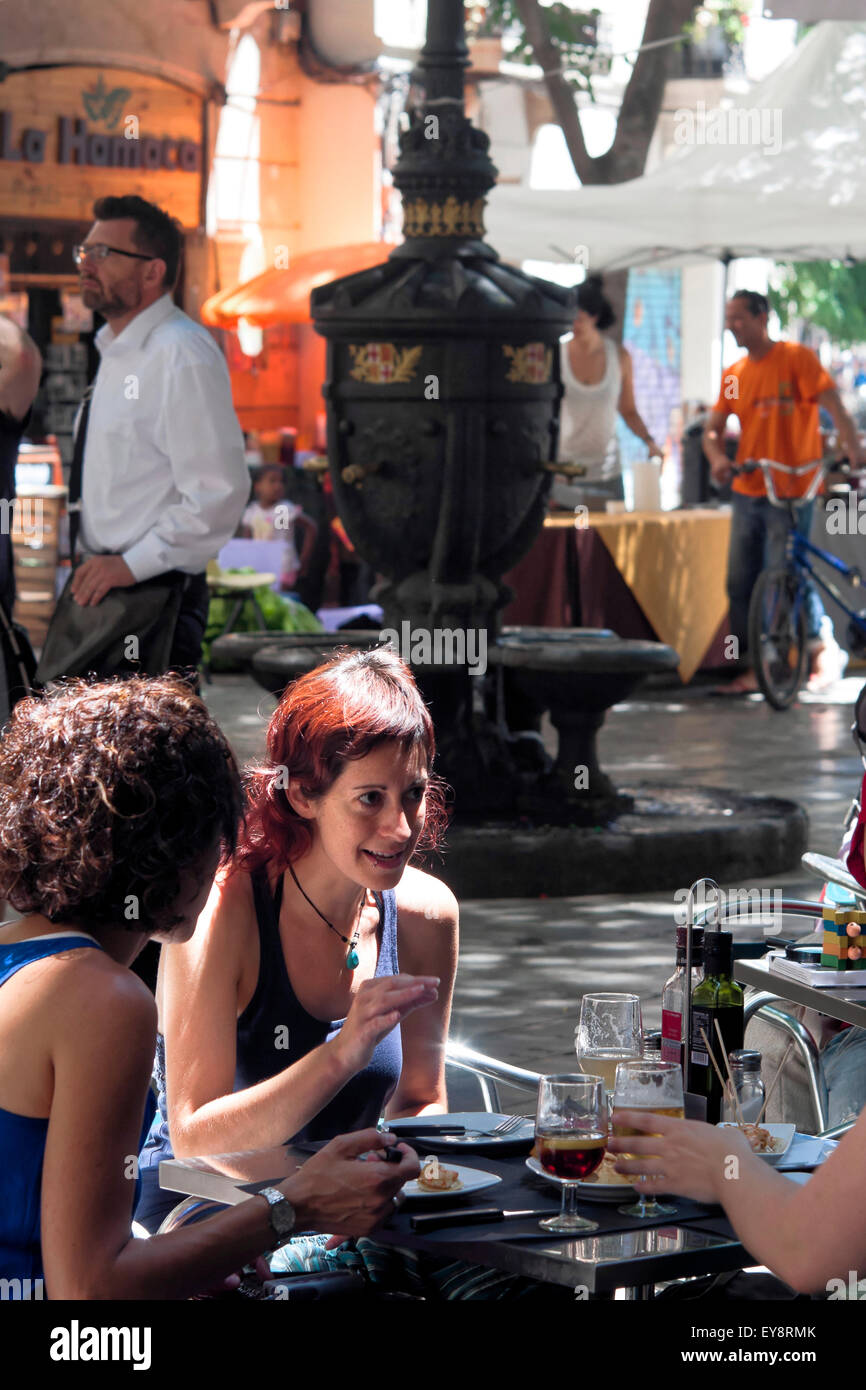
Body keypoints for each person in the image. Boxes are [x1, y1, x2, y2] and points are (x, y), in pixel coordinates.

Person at [0, 675, 417, 1295]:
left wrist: (198, 1252)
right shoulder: (104, 1001)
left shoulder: (21, 956)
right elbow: (88, 1295)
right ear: (180, 849)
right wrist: (290, 1209)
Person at [136, 646, 457, 1240]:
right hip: (209, 1215)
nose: (402, 828)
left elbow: (419, 1100)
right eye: (371, 799)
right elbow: (195, 1138)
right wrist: (340, 1054)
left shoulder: (425, 912)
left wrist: (399, 1173)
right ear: (303, 796)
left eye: (412, 794)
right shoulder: (225, 908)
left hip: (353, 1216)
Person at [49, 194, 250, 672]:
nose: (86, 264)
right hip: (109, 594)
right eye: (85, 252)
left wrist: (128, 565)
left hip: (154, 600)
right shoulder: (120, 351)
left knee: (149, 744)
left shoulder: (181, 353)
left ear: (152, 271)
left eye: (103, 253)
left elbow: (217, 495)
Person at [702, 290, 861, 695]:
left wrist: (852, 448)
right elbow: (713, 429)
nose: (731, 326)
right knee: (740, 581)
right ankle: (788, 652)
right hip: (750, 488)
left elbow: (834, 406)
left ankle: (774, 664)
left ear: (762, 318)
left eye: (739, 318)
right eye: (728, 318)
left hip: (796, 489)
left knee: (781, 573)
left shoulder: (796, 360)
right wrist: (718, 457)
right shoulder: (735, 376)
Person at [551, 274, 662, 511]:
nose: (574, 326)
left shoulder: (619, 357)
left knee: (607, 543)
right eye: (570, 319)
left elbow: (628, 409)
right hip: (564, 470)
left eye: (579, 319)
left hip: (606, 470)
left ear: (594, 317)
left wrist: (649, 441)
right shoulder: (556, 355)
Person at [239, 463, 317, 592]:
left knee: (277, 597)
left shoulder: (281, 510)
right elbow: (247, 537)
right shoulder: (253, 511)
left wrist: (304, 560)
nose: (278, 486)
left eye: (281, 482)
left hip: (283, 566)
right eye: (272, 481)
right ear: (257, 486)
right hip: (260, 565)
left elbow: (308, 528)